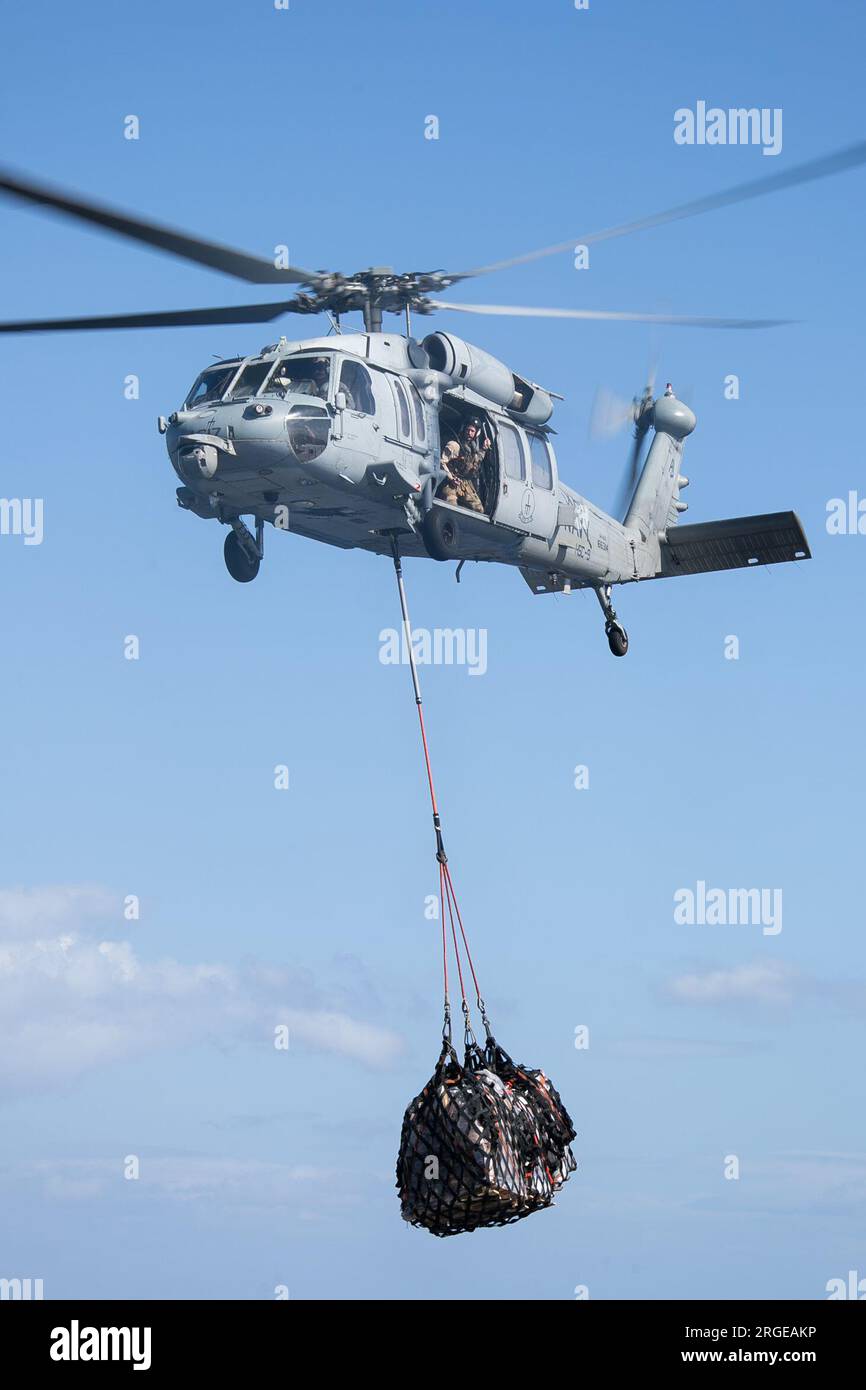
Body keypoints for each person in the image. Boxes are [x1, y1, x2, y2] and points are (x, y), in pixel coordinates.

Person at [438, 417, 490, 513]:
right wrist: (451, 478)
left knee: (479, 509)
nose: (469, 433)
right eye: (468, 430)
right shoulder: (454, 445)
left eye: (472, 431)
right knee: (451, 505)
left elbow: (475, 462)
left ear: (476, 433)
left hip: (464, 484)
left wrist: (483, 449)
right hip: (450, 482)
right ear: (464, 429)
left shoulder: (472, 449)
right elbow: (441, 462)